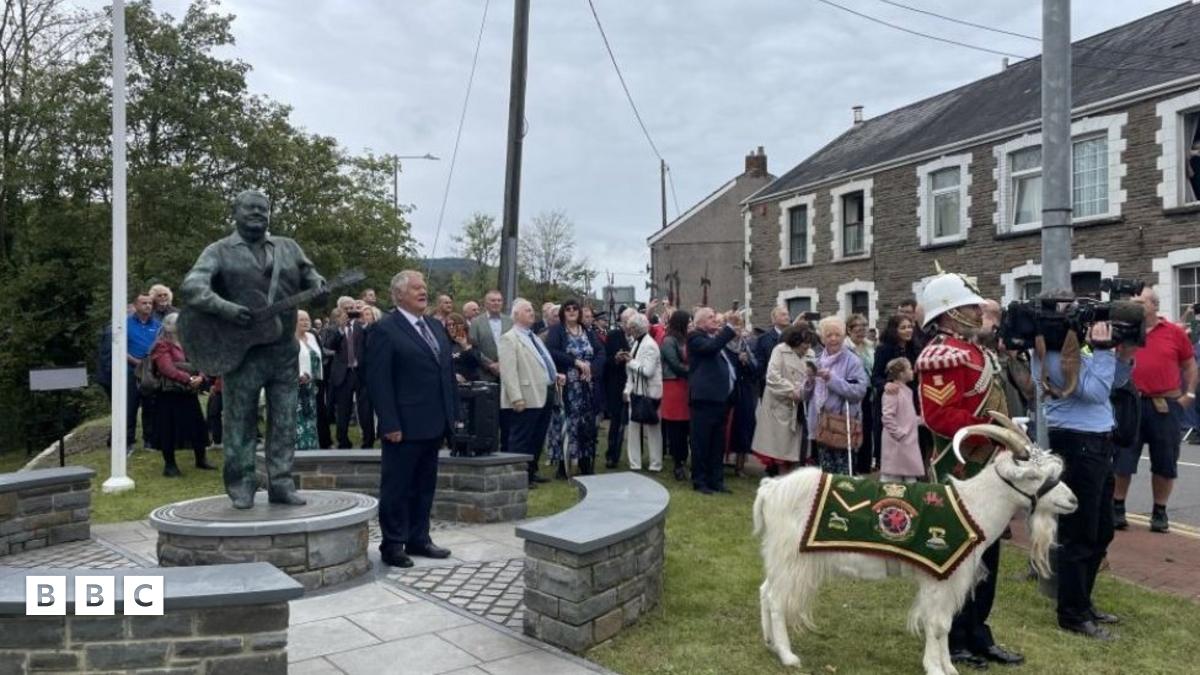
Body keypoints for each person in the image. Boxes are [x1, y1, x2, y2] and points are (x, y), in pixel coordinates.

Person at [179, 189, 322, 508]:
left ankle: (282, 482)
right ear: (235, 212)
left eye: (264, 209)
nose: (258, 213)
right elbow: (192, 286)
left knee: (284, 421)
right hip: (243, 353)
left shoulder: (288, 247)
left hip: (283, 351)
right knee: (239, 421)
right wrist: (224, 307)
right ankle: (241, 483)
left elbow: (311, 276)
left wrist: (317, 282)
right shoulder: (219, 250)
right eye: (251, 209)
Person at [917, 270, 1023, 669]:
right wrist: (990, 431)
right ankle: (957, 637)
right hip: (959, 470)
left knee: (988, 556)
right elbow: (939, 415)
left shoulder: (979, 351)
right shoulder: (943, 354)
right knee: (959, 561)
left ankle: (979, 632)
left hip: (988, 468)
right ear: (949, 314)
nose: (978, 311)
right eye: (968, 306)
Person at [1031, 320, 1122, 640]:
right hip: (1078, 443)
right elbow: (1096, 392)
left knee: (1102, 529)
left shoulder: (1073, 351)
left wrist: (1117, 353)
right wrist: (1103, 351)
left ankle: (1082, 601)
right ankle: (1071, 612)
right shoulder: (1052, 355)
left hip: (1097, 441)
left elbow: (1115, 384)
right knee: (1080, 531)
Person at [365, 270, 456, 568]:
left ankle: (419, 538)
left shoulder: (434, 326)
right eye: (416, 287)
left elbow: (445, 374)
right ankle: (392, 544)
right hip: (403, 426)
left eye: (424, 286)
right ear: (399, 294)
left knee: (424, 485)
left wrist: (452, 417)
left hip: (433, 422)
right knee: (397, 487)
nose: (423, 291)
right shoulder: (385, 329)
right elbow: (379, 382)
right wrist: (389, 423)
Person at [1114, 286, 1198, 533]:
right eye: (1132, 303)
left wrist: (1189, 395)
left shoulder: (1173, 332)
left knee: (1165, 460)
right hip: (1131, 402)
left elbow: (1190, 366)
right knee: (1122, 457)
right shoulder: (1124, 332)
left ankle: (1159, 511)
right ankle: (1117, 507)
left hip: (1165, 404)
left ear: (1154, 306)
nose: (1135, 308)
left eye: (1140, 303)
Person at [499, 299, 566, 484]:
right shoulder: (509, 338)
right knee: (521, 438)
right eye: (527, 310)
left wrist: (554, 375)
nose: (532, 313)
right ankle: (517, 476)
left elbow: (542, 361)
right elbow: (508, 372)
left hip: (544, 392)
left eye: (532, 309)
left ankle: (531, 472)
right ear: (516, 315)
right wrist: (516, 398)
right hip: (526, 396)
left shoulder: (533, 337)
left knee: (537, 437)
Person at [544, 299, 605, 476]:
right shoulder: (557, 331)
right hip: (568, 387)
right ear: (563, 312)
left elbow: (601, 352)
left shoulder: (587, 331)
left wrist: (591, 369)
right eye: (568, 309)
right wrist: (575, 362)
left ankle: (585, 462)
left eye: (574, 309)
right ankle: (564, 464)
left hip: (587, 386)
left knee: (586, 424)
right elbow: (552, 352)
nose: (571, 311)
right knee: (566, 423)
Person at [149, 313, 212, 477]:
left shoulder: (189, 342)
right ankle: (170, 465)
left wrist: (201, 377)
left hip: (188, 393)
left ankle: (201, 459)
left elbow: (202, 361)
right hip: (169, 394)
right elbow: (166, 368)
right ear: (170, 326)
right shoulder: (161, 345)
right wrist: (189, 378)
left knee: (197, 425)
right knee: (168, 429)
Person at [804, 316, 867, 475]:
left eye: (837, 335)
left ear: (844, 336)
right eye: (829, 335)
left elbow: (858, 391)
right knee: (825, 471)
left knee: (844, 471)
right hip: (821, 423)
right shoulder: (817, 360)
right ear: (822, 338)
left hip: (842, 423)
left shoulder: (853, 361)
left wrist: (831, 379)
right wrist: (809, 380)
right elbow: (805, 395)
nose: (833, 339)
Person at [688, 307, 738, 495]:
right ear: (699, 322)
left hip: (720, 399)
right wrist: (729, 327)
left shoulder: (715, 339)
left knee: (717, 443)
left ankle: (716, 480)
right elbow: (711, 348)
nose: (715, 320)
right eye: (710, 317)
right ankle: (700, 481)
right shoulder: (695, 337)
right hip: (704, 399)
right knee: (701, 442)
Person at [751, 326, 811, 475]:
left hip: (801, 407)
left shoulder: (810, 354)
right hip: (780, 406)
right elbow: (772, 376)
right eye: (805, 343)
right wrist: (792, 390)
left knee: (798, 449)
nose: (807, 347)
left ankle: (792, 480)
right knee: (782, 449)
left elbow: (813, 376)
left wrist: (807, 389)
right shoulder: (780, 350)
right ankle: (780, 478)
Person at [872, 314, 922, 459]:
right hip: (892, 399)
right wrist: (886, 384)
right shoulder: (884, 349)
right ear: (895, 330)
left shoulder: (915, 348)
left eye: (910, 327)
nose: (908, 331)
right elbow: (875, 377)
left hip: (911, 399)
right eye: (903, 328)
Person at [327, 300, 374, 449]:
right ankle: (343, 441)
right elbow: (329, 346)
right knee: (343, 410)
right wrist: (341, 328)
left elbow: (372, 342)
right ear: (341, 311)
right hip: (344, 374)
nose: (350, 312)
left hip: (361, 373)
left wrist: (364, 322)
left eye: (353, 309)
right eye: (347, 309)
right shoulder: (334, 329)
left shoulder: (364, 327)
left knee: (365, 409)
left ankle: (368, 441)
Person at [624, 313, 663, 472]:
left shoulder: (649, 345)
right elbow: (634, 371)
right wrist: (627, 389)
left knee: (653, 428)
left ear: (637, 328)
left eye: (631, 327)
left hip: (650, 393)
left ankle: (655, 463)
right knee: (633, 427)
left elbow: (647, 371)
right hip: (637, 391)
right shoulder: (637, 343)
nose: (629, 330)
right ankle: (635, 463)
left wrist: (630, 361)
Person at [126, 293, 162, 453]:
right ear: (136, 305)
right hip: (130, 371)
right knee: (130, 407)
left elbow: (161, 347)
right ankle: (128, 442)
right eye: (144, 303)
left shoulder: (158, 325)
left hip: (151, 372)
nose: (147, 306)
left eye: (149, 303)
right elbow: (120, 349)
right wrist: (136, 362)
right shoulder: (125, 324)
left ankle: (149, 441)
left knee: (150, 407)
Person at [725, 310, 758, 477]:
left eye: (740, 326)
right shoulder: (723, 345)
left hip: (743, 391)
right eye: (735, 326)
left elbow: (755, 369)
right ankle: (722, 460)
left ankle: (740, 466)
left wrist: (747, 362)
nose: (738, 330)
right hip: (727, 390)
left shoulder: (746, 345)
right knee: (726, 428)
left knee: (744, 427)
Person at [879, 357, 923, 483]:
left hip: (906, 444)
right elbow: (887, 417)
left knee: (910, 480)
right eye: (909, 368)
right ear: (901, 373)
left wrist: (923, 420)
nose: (912, 371)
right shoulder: (893, 391)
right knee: (891, 482)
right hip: (897, 444)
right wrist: (899, 434)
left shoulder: (906, 391)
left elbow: (907, 417)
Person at [660, 310, 691, 480]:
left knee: (686, 426)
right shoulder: (669, 340)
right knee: (676, 428)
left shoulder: (684, 339)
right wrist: (694, 371)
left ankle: (684, 459)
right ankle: (678, 463)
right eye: (688, 321)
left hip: (685, 386)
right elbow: (675, 364)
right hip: (674, 385)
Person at [603, 308, 635, 469]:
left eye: (632, 320)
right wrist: (616, 358)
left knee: (633, 422)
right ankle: (612, 455)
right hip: (617, 384)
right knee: (616, 421)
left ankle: (634, 456)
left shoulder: (639, 337)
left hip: (634, 383)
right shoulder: (614, 335)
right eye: (627, 321)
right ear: (622, 322)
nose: (630, 324)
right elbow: (606, 360)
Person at [846, 313, 876, 473]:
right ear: (849, 330)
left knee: (867, 426)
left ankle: (865, 465)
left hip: (869, 390)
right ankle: (853, 464)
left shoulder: (869, 346)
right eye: (858, 327)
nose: (862, 331)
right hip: (853, 390)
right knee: (853, 426)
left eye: (864, 326)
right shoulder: (845, 347)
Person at [468, 290, 511, 384]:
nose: (496, 303)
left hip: (507, 374)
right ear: (485, 303)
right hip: (484, 375)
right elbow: (473, 348)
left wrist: (502, 364)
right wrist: (490, 364)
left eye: (499, 300)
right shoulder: (476, 323)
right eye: (493, 300)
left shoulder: (510, 322)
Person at [296, 310, 322, 450]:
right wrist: (299, 374)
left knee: (310, 417)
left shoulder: (312, 337)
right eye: (302, 320)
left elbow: (318, 357)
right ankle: (297, 449)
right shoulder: (289, 340)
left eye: (307, 319)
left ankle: (311, 448)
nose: (306, 322)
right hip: (294, 386)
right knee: (298, 419)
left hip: (311, 386)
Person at [754, 307, 791, 395]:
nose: (787, 317)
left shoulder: (795, 336)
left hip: (792, 385)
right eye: (783, 315)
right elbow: (760, 365)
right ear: (774, 319)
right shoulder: (763, 339)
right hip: (771, 387)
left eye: (787, 314)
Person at [446, 313, 482, 382]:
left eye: (453, 324)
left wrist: (465, 346)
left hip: (469, 383)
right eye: (448, 325)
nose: (451, 327)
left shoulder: (471, 342)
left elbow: (476, 363)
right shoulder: (445, 344)